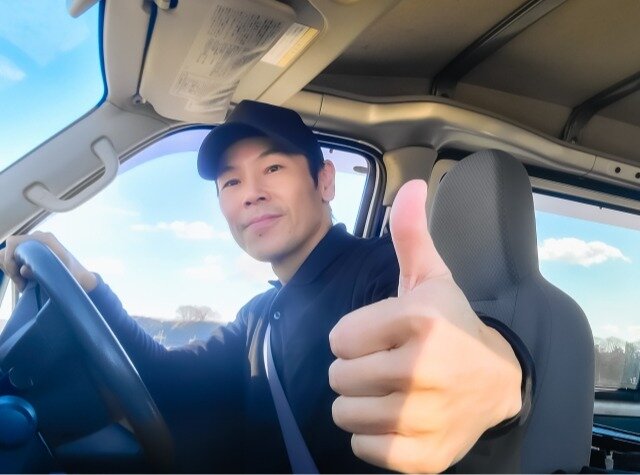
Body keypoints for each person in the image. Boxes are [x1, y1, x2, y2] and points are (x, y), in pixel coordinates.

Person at [0, 100, 533, 473]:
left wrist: (502, 381)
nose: (250, 193)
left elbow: (454, 342)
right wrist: (88, 285)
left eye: (273, 167)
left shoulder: (378, 270)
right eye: (231, 181)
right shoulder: (258, 316)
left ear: (324, 181)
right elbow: (166, 378)